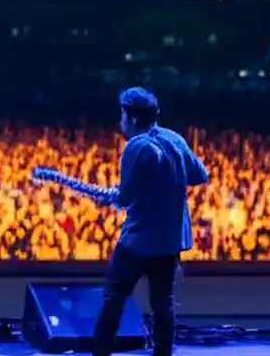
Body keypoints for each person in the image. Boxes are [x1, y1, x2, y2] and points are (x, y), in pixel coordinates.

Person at [92, 87, 208, 356]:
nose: (120, 120)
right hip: (169, 241)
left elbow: (125, 198)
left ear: (131, 117)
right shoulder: (174, 139)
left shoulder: (137, 146)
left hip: (138, 240)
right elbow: (200, 175)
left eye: (122, 113)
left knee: (114, 298)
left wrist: (110, 197)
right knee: (163, 304)